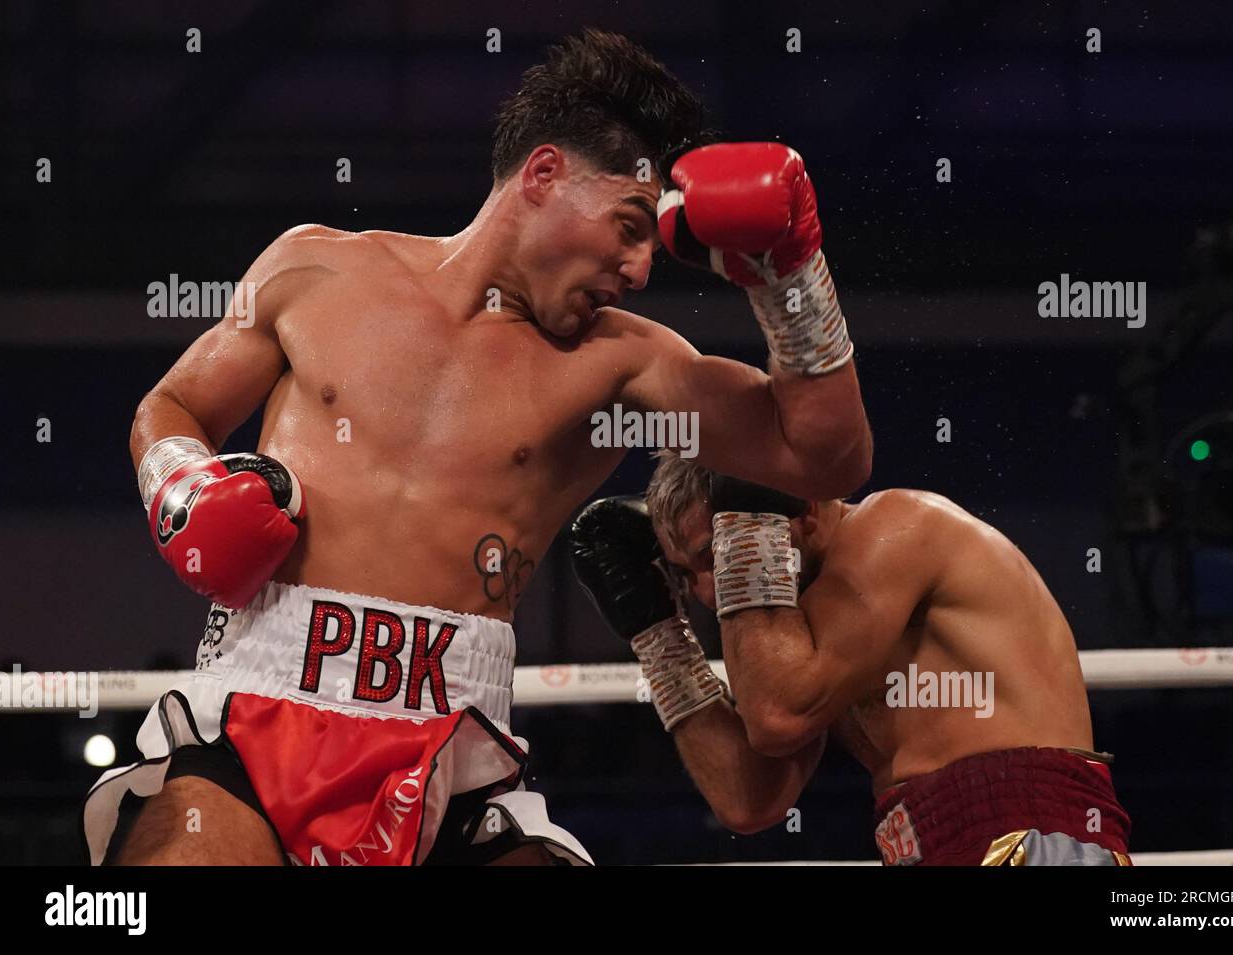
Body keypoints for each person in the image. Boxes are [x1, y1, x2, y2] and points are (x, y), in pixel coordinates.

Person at [83, 29, 872, 866]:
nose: (641, 269)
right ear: (543, 175)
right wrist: (184, 488)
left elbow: (823, 456)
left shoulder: (620, 363)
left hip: (454, 752)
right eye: (630, 226)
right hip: (253, 715)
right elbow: (171, 405)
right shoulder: (316, 270)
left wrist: (794, 277)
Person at [570, 454, 1131, 865]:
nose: (710, 594)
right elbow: (747, 799)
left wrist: (745, 537)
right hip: (927, 843)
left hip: (1027, 837)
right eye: (686, 575)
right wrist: (659, 633)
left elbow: (775, 717)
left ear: (803, 511)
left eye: (717, 556)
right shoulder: (809, 634)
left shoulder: (899, 524)